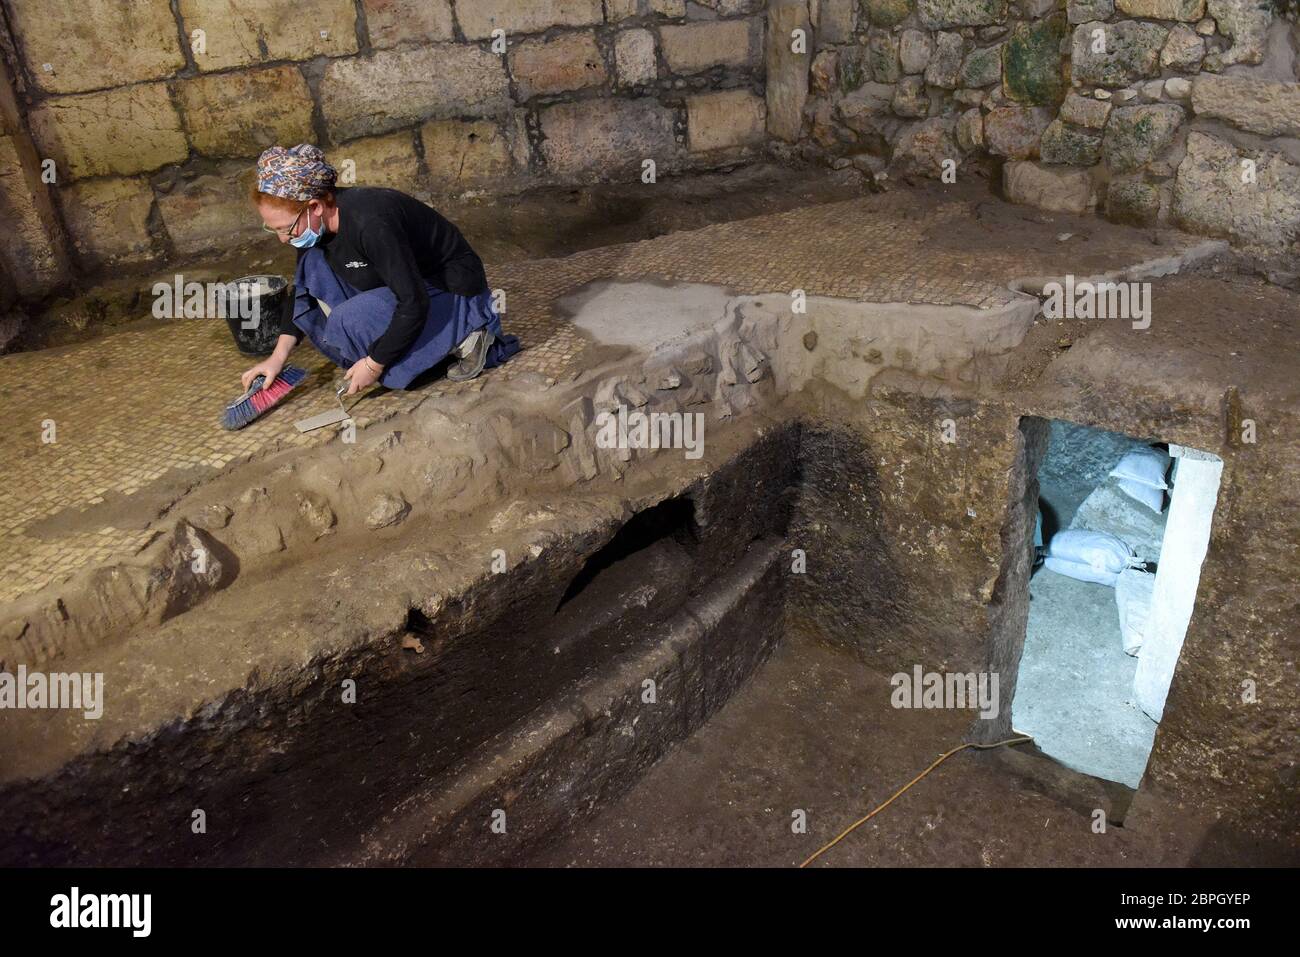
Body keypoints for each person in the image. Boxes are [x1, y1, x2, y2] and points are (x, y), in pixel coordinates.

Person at [242, 143, 518, 396]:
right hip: (406, 282)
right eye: (273, 229)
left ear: (314, 206)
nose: (282, 239)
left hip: (452, 290)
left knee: (349, 322)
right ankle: (422, 351)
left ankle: (468, 333)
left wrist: (373, 365)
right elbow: (304, 290)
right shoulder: (314, 225)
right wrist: (276, 359)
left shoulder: (371, 222)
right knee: (313, 267)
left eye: (285, 228)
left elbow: (413, 302)